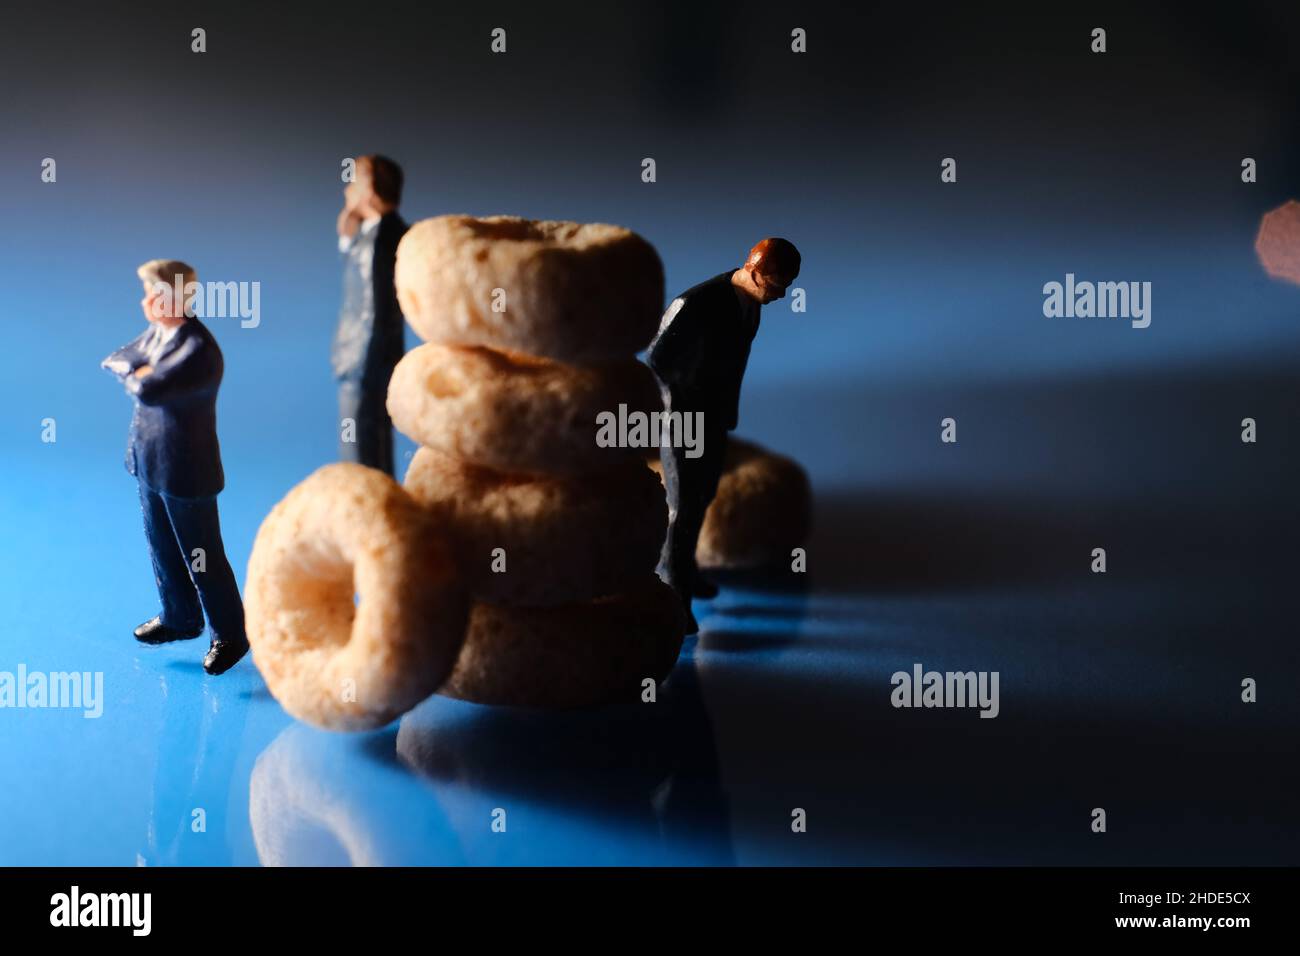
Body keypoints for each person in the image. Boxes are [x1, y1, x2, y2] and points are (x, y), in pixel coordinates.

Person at [646, 237, 802, 632]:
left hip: (715, 419)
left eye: (786, 288)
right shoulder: (696, 303)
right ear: (753, 272)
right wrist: (688, 403)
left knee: (704, 496)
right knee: (680, 506)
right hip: (683, 420)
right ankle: (672, 593)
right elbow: (658, 358)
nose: (781, 296)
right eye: (776, 287)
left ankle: (688, 571)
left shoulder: (751, 305)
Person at [101, 260, 248, 675]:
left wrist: (139, 373)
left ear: (173, 297)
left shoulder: (199, 350)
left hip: (187, 472)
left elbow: (149, 387)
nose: (145, 301)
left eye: (152, 293)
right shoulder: (157, 334)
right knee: (162, 546)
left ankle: (231, 635)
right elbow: (118, 358)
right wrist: (138, 369)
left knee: (202, 555)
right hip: (149, 462)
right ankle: (179, 615)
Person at [332, 154, 408, 475]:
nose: (347, 190)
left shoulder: (379, 241)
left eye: (354, 182)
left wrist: (356, 361)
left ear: (371, 190)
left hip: (363, 359)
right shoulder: (376, 234)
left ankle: (368, 511)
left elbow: (374, 309)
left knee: (360, 446)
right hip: (373, 358)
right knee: (371, 439)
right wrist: (348, 234)